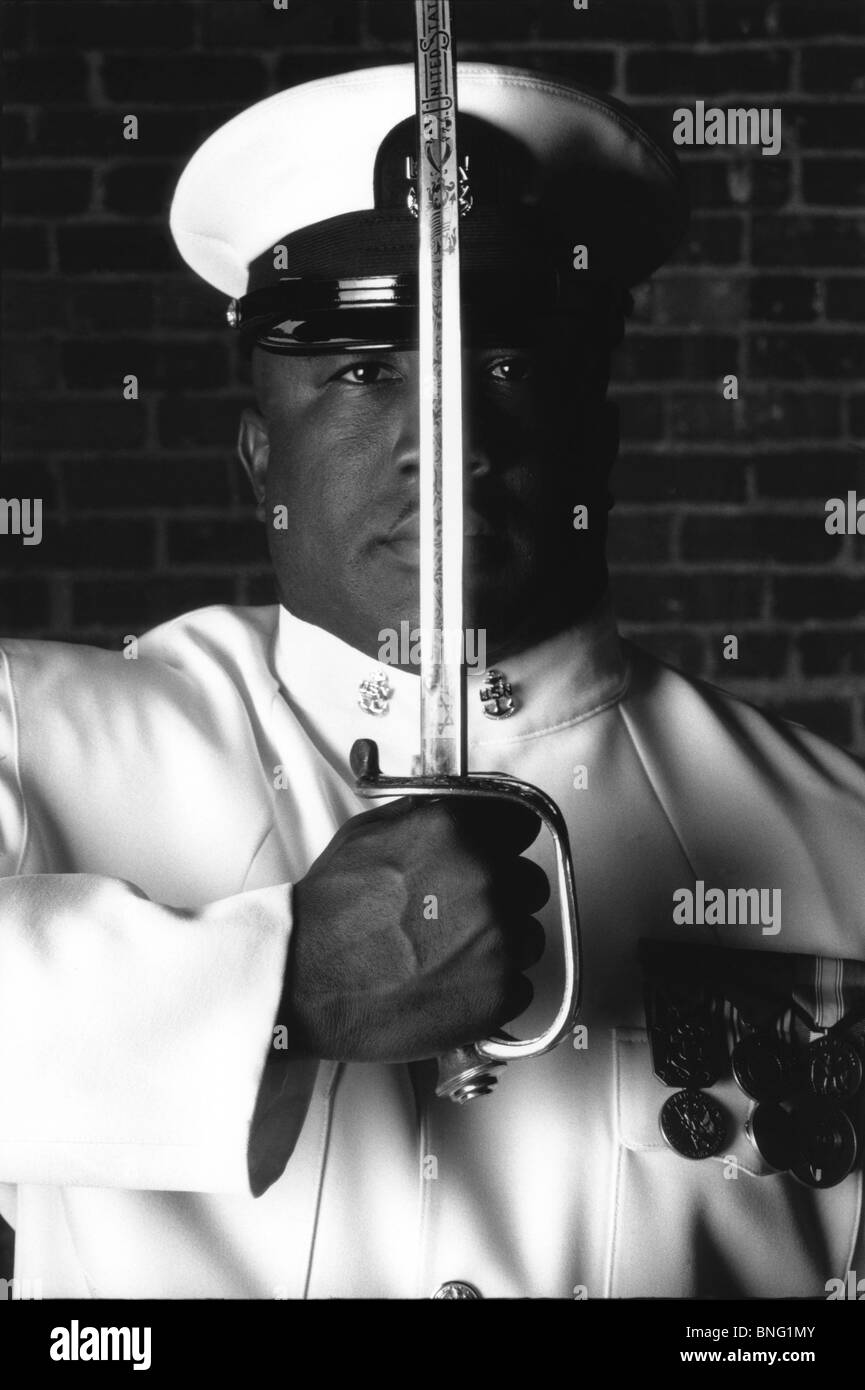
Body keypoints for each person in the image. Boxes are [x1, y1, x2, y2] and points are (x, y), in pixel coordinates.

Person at [1, 63, 863, 1301]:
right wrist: (282, 985)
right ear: (259, 455)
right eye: (364, 370)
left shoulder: (840, 846)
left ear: (601, 440)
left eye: (506, 362)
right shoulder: (40, 745)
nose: (442, 437)